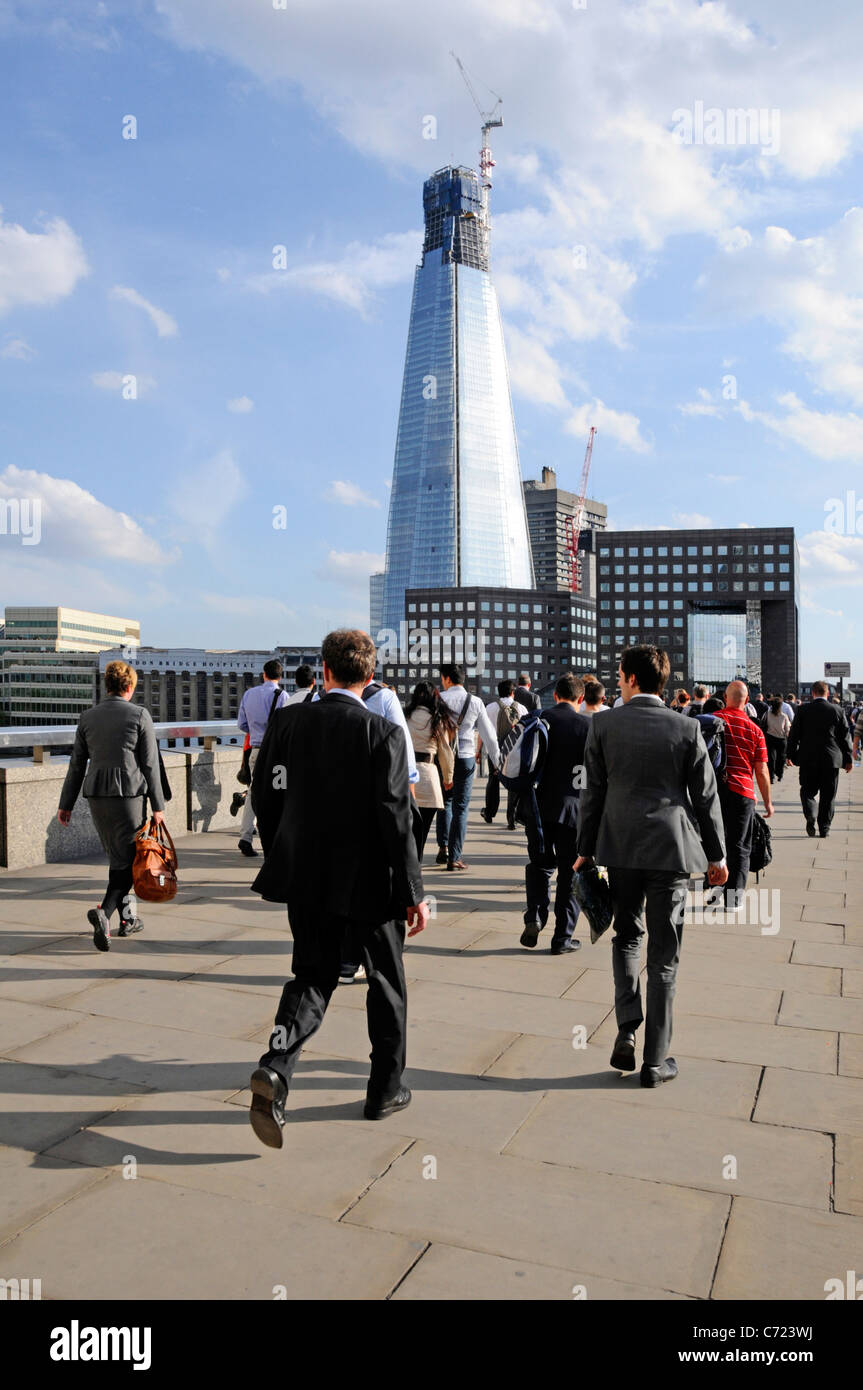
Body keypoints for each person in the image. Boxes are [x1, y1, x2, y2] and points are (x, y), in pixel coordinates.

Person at [247, 629, 429, 1145]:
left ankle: (277, 1067)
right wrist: (412, 891)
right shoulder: (384, 734)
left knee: (311, 975)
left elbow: (266, 796)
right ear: (369, 678)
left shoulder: (286, 722)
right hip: (371, 883)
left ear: (324, 671)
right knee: (387, 983)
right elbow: (397, 818)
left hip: (306, 876)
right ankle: (384, 1090)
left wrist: (286, 848)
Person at [574, 645, 727, 1087]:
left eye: (620, 675)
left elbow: (593, 793)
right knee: (665, 955)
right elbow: (705, 795)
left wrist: (585, 847)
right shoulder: (686, 727)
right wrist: (717, 856)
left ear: (633, 679)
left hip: (620, 847)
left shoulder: (602, 724)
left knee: (626, 936)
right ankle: (656, 1062)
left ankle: (626, 1026)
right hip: (671, 851)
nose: (617, 681)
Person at [57, 660, 166, 952]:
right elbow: (150, 764)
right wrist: (158, 804)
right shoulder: (139, 715)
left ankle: (127, 920)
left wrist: (65, 804)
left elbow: (77, 764)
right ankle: (104, 913)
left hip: (96, 796)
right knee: (131, 861)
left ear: (107, 686)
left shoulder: (87, 717)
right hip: (128, 796)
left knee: (119, 858)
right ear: (129, 686)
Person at [520, 674, 589, 955]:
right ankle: (562, 938)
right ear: (580, 698)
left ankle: (535, 915)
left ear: (556, 695)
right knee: (569, 873)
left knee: (538, 864)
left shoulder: (537, 719)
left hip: (537, 806)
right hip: (573, 809)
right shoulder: (588, 725)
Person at [435, 664, 500, 871]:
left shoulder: (439, 700)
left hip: (442, 758)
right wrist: (497, 762)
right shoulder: (476, 702)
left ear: (446, 679)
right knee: (460, 808)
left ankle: (443, 847)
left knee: (444, 803)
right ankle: (454, 858)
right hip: (465, 757)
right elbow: (489, 736)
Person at [714, 681, 773, 907]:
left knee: (715, 839)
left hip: (714, 791)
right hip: (742, 791)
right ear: (747, 701)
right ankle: (733, 898)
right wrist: (767, 802)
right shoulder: (755, 730)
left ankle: (715, 885)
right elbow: (761, 770)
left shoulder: (713, 721)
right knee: (739, 845)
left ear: (725, 698)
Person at [236, 659, 289, 857]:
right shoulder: (283, 696)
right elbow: (285, 724)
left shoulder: (249, 694)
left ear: (264, 674)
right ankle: (276, 838)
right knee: (278, 792)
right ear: (280, 676)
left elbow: (242, 725)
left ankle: (245, 837)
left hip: (256, 750)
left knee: (252, 792)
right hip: (276, 753)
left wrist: (257, 732)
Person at [786, 679, 853, 837]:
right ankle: (824, 828)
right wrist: (848, 759)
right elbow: (845, 736)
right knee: (828, 795)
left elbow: (794, 735)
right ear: (827, 693)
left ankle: (811, 813)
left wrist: (790, 755)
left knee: (807, 791)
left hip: (808, 758)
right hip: (831, 759)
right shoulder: (837, 710)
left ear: (812, 693)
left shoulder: (803, 710)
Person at [405, 681, 456, 856]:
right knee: (422, 830)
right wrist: (448, 778)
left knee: (406, 829)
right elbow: (445, 752)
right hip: (428, 777)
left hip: (405, 777)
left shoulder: (405, 716)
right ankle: (415, 865)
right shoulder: (437, 720)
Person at [481, 679, 520, 828]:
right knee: (514, 782)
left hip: (495, 750)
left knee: (494, 779)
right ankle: (512, 818)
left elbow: (484, 732)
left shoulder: (490, 708)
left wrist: (480, 750)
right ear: (512, 692)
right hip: (514, 751)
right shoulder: (521, 708)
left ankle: (489, 812)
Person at [762, 697, 792, 784]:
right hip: (781, 739)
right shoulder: (784, 716)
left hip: (770, 737)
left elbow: (763, 723)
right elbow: (787, 730)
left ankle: (771, 777)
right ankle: (780, 774)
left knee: (771, 759)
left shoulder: (767, 714)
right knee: (781, 757)